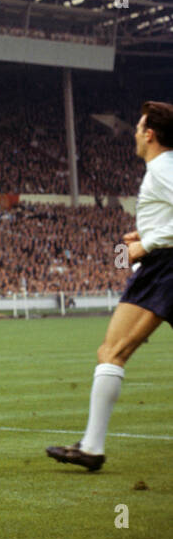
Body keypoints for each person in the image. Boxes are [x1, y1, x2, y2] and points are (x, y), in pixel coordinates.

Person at [47, 101, 173, 471]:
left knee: (112, 352)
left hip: (164, 268)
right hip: (162, 264)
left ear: (150, 135)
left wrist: (147, 244)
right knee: (112, 351)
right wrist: (146, 233)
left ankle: (92, 447)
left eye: (138, 127)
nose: (134, 132)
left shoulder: (162, 169)